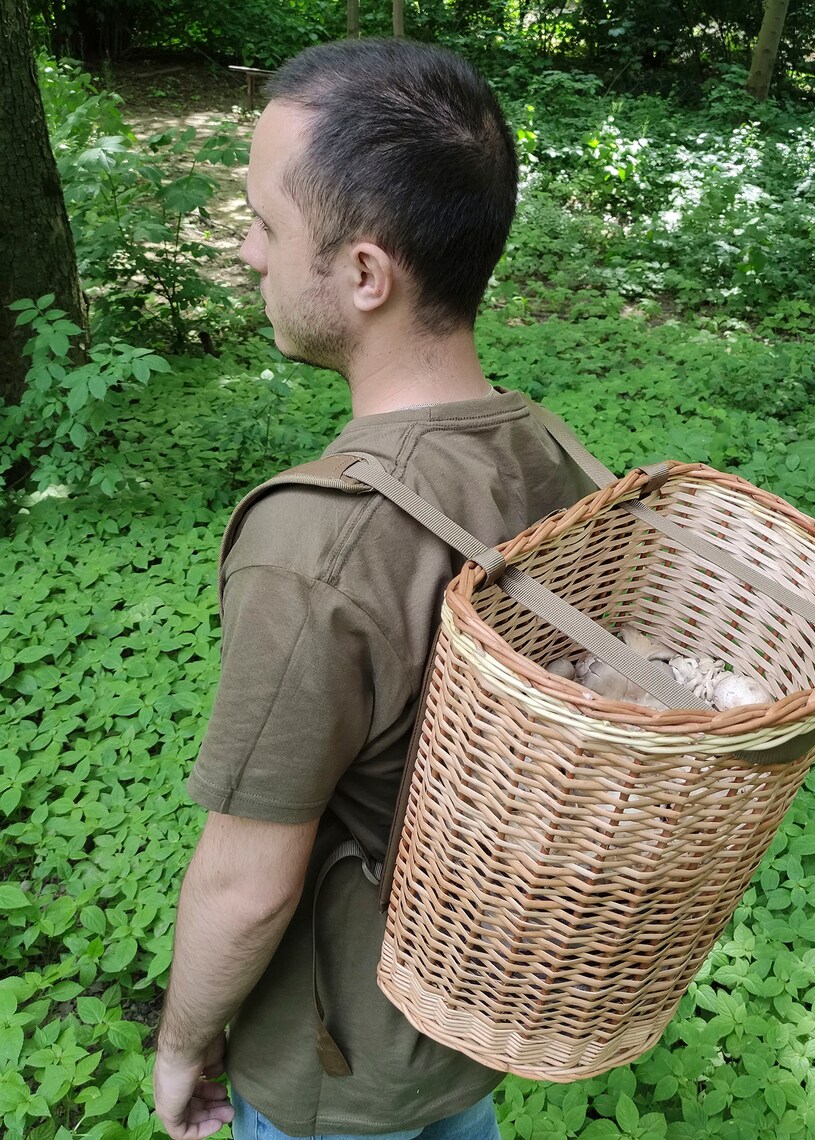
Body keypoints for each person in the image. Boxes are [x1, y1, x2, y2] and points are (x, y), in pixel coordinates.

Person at [153, 38, 593, 1140]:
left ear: (364, 274)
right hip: (466, 1026)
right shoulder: (552, 455)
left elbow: (247, 885)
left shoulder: (316, 544)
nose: (247, 252)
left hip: (333, 1072)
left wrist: (181, 1042)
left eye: (265, 223)